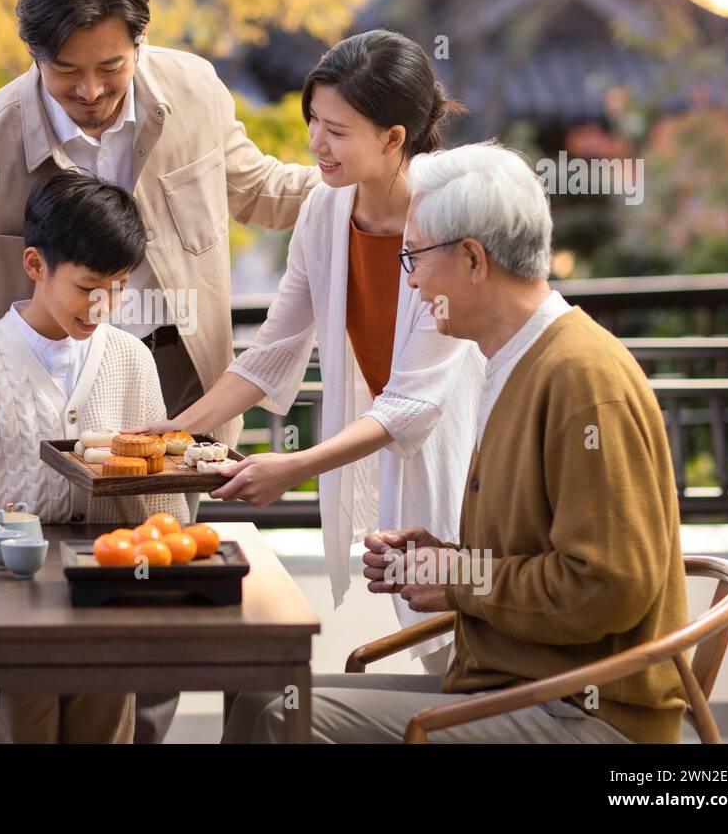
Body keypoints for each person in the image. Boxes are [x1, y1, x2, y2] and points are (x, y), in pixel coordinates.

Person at [0, 0, 319, 742]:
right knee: (29, 616)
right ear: (34, 55)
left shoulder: (193, 91)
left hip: (173, 375)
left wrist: (364, 181)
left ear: (139, 45)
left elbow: (260, 188)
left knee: (153, 598)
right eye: (65, 71)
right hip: (36, 383)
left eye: (110, 68)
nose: (89, 91)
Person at [223, 142, 690, 743]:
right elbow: (533, 556)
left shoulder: (580, 379)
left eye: (412, 256)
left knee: (283, 719)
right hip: (511, 681)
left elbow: (609, 587)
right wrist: (443, 555)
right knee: (264, 698)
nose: (410, 280)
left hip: (586, 711)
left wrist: (460, 578)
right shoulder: (511, 360)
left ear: (473, 259)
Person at [135, 30, 484, 671]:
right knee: (440, 641)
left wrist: (293, 468)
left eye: (337, 131)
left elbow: (415, 403)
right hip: (396, 437)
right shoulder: (326, 211)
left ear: (393, 138)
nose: (316, 146)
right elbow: (273, 349)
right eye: (314, 123)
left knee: (470, 643)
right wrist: (176, 432)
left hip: (476, 455)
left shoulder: (450, 219)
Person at [0, 170, 189, 743]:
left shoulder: (130, 359)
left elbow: (163, 496)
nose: (102, 305)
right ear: (36, 265)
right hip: (9, 610)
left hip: (112, 602)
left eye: (118, 286)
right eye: (89, 286)